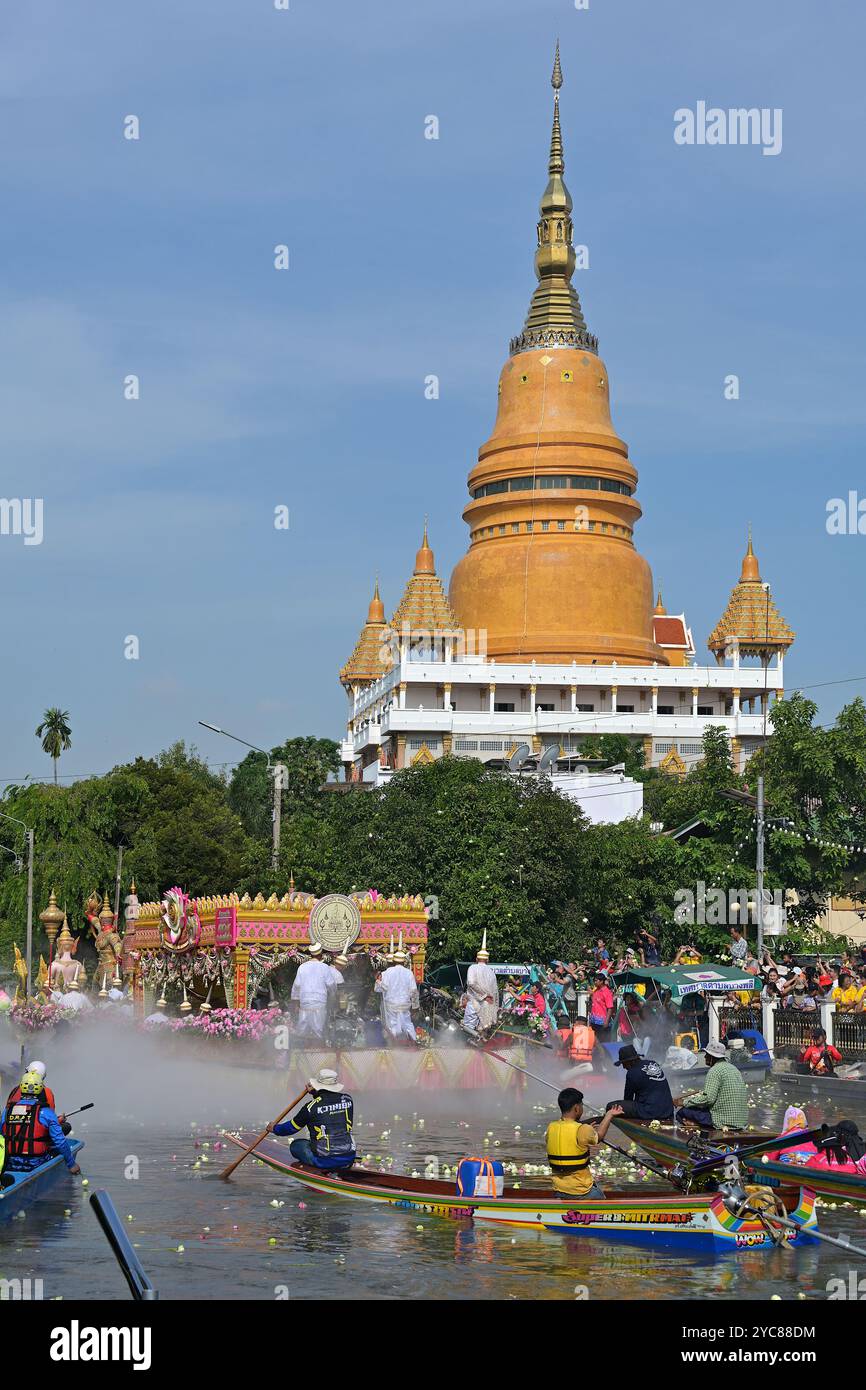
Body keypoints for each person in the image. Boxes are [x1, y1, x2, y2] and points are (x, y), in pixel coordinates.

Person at [269, 1068, 355, 1172]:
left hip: (324, 1161)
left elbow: (290, 1129)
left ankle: (322, 1167)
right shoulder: (348, 1100)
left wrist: (274, 1128)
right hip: (349, 1157)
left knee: (296, 1146)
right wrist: (315, 1092)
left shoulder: (310, 1108)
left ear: (317, 1086)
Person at [0, 1070, 80, 1179]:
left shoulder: (7, 1111)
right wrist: (72, 1164)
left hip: (10, 1162)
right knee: (57, 1149)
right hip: (36, 1162)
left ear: (21, 1087)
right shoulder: (46, 1113)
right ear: (40, 1089)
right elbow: (60, 1141)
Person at [546, 1087, 622, 1200]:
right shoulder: (583, 1130)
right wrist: (609, 1115)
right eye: (581, 1106)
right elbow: (599, 1136)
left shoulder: (551, 1127)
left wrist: (584, 1130)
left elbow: (566, 1136)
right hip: (582, 1191)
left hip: (559, 1189)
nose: (582, 1109)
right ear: (576, 1108)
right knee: (604, 1201)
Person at [674, 1040, 749, 1131]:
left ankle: (697, 1128)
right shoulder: (734, 1068)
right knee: (697, 1108)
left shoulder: (714, 1070)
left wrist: (683, 1102)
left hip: (723, 1121)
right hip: (741, 1121)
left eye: (707, 1055)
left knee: (682, 1112)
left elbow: (708, 1099)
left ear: (712, 1057)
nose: (705, 1057)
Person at [607, 1043, 674, 1121]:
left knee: (610, 1107)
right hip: (668, 1111)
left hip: (650, 1111)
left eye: (624, 1064)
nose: (624, 1067)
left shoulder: (632, 1073)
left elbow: (628, 1099)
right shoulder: (653, 1063)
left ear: (630, 1062)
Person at [290, 942, 339, 1040]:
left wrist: (295, 1002)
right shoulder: (324, 967)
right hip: (319, 1003)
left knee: (302, 1031)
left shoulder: (302, 967)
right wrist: (334, 995)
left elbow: (296, 985)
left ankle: (300, 1052)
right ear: (321, 954)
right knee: (318, 1031)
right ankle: (318, 1052)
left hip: (305, 1003)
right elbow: (331, 985)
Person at [375, 936, 420, 1043]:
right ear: (404, 962)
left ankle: (394, 1046)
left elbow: (380, 989)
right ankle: (413, 1043)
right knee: (408, 1024)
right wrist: (415, 1007)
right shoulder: (409, 973)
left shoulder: (387, 973)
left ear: (394, 961)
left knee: (393, 1025)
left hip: (391, 1005)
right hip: (405, 1005)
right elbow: (413, 991)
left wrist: (377, 981)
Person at [463, 931, 499, 1037]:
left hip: (475, 1002)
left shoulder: (472, 967)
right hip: (488, 1004)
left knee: (469, 1026)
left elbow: (471, 983)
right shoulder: (491, 972)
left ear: (476, 959)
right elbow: (495, 991)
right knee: (483, 1028)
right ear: (487, 960)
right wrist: (494, 1005)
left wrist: (483, 996)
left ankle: (467, 1047)